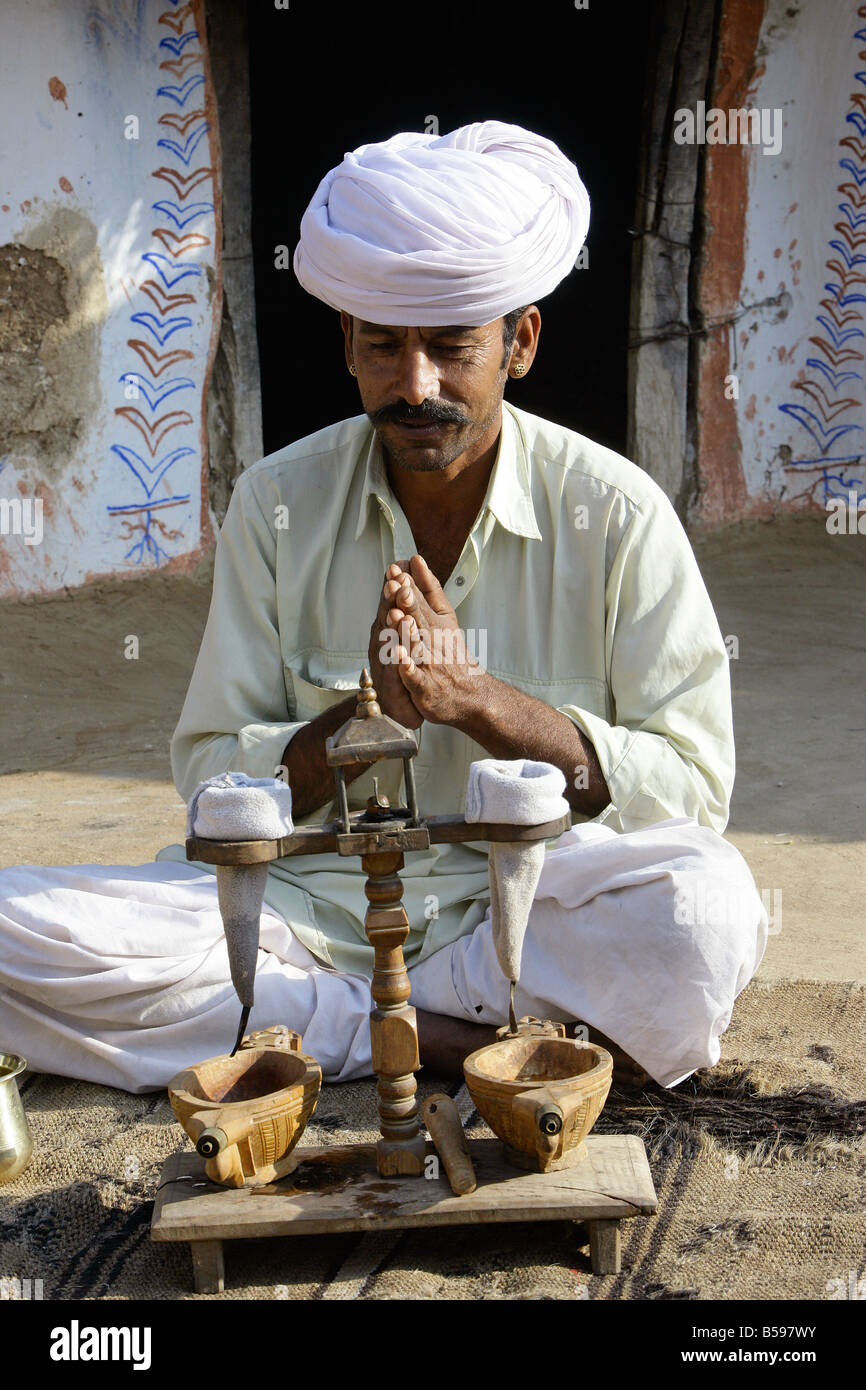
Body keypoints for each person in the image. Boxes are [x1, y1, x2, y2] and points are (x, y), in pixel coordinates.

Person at [0, 122, 766, 1093]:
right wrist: (360, 721)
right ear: (347, 346)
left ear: (517, 342)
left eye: (451, 349)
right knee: (15, 929)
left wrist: (477, 700)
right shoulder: (277, 504)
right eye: (383, 348)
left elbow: (693, 793)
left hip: (520, 918)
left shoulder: (616, 514)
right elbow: (210, 785)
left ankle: (318, 1030)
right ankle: (423, 1036)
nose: (414, 386)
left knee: (704, 908)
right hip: (299, 917)